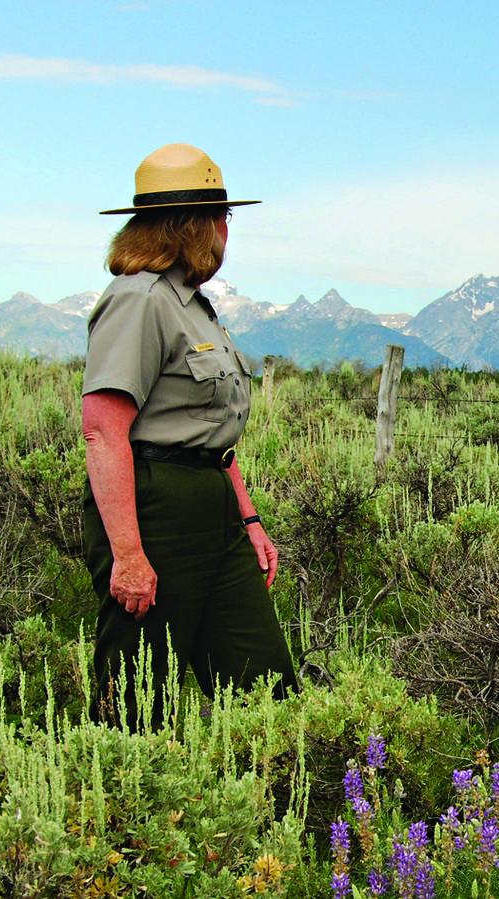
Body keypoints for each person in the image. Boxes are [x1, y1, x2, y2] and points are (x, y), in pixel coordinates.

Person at [81, 143, 296, 729]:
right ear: (194, 225)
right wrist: (129, 555)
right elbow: (102, 432)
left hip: (213, 505)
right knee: (138, 698)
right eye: (222, 215)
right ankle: (118, 785)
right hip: (155, 506)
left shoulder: (193, 307)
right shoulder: (139, 300)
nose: (227, 229)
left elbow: (210, 431)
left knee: (265, 688)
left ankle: (262, 787)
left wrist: (248, 519)